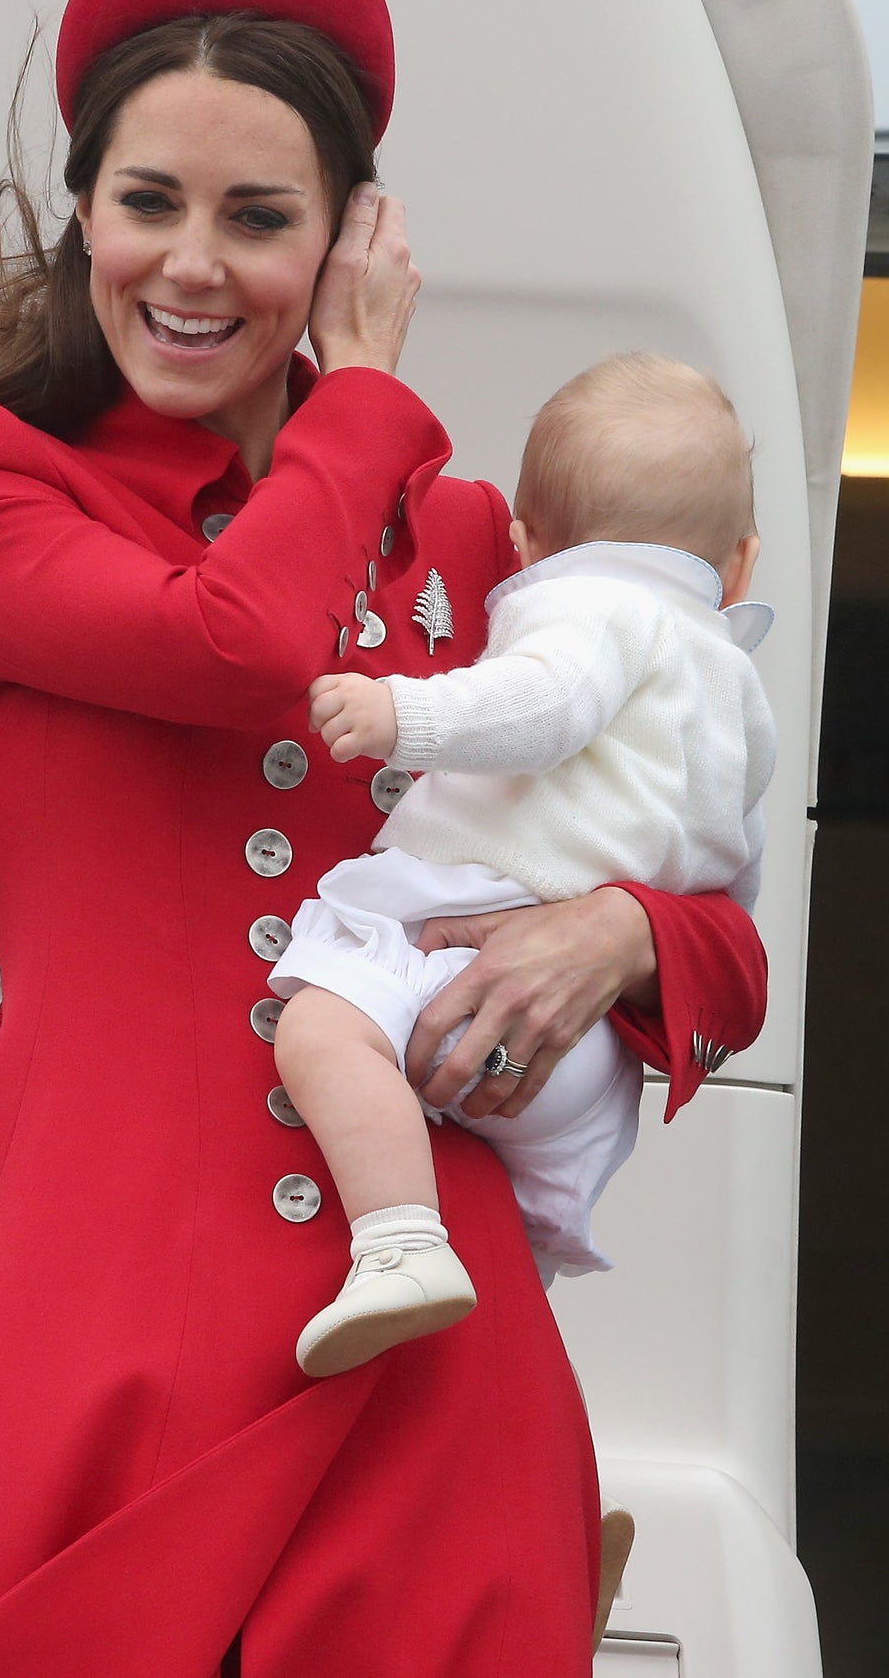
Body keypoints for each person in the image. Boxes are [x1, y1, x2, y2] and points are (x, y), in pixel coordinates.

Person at [0, 0, 768, 1678]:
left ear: (350, 234)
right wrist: (364, 398)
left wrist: (625, 934)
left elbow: (715, 895)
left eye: (261, 217)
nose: (192, 264)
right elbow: (240, 640)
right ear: (83, 212)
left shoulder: (463, 539)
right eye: (150, 201)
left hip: (422, 1320)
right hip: (93, 1304)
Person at [268, 353, 777, 1378]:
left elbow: (544, 705)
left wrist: (399, 714)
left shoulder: (590, 602)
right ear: (741, 565)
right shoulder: (731, 681)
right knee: (511, 1283)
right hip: (587, 1049)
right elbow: (736, 866)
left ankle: (398, 1244)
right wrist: (638, 931)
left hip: (462, 964)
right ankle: (512, 1298)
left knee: (321, 1024)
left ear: (528, 541)